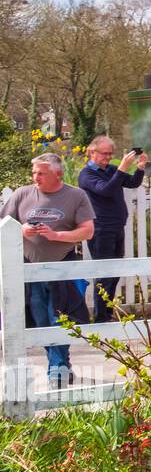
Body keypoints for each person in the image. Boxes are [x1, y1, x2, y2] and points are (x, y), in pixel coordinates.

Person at [0, 153, 95, 388]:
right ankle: (61, 364)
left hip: (62, 266)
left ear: (58, 174)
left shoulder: (76, 195)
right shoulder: (22, 194)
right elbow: (3, 224)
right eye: (34, 172)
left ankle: (57, 372)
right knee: (41, 320)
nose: (36, 177)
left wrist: (56, 235)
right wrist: (21, 229)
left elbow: (87, 230)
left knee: (60, 319)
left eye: (41, 173)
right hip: (30, 268)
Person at [77, 136, 148, 323]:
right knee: (104, 275)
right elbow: (106, 190)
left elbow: (132, 183)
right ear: (92, 152)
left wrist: (140, 168)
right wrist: (122, 168)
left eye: (110, 154)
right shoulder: (86, 175)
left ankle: (106, 314)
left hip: (117, 227)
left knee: (114, 273)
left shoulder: (110, 170)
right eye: (104, 154)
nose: (108, 157)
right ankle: (101, 318)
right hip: (101, 230)